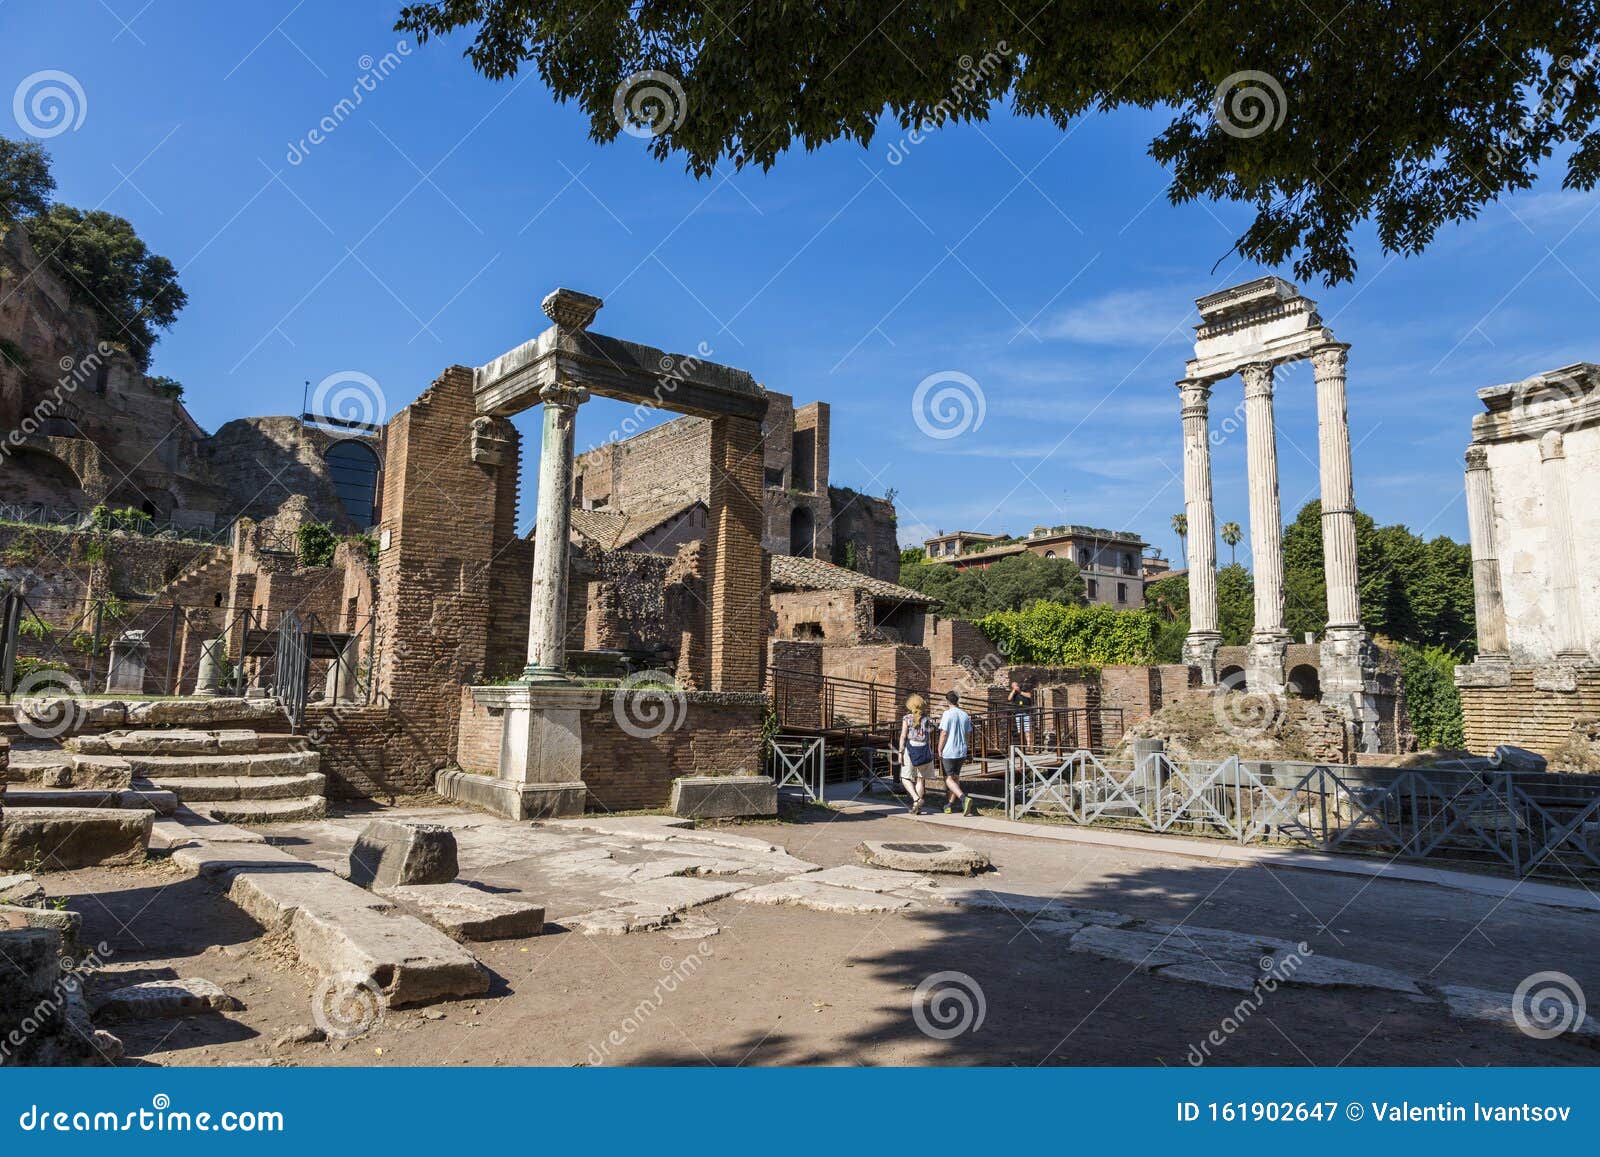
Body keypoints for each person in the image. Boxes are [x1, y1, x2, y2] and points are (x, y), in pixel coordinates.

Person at [936, 690, 977, 816]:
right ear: (957, 700)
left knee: (948, 779)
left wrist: (939, 748)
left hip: (949, 750)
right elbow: (968, 734)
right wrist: (966, 746)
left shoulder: (947, 714)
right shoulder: (965, 715)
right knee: (955, 778)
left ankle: (964, 798)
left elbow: (944, 733)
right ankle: (949, 805)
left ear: (947, 701)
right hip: (961, 750)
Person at [896, 694, 936, 815]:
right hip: (923, 749)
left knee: (905, 777)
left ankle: (916, 799)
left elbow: (903, 736)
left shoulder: (907, 718)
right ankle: (916, 806)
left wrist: (900, 752)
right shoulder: (927, 720)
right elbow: (929, 738)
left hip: (910, 750)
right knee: (920, 779)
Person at [1008, 679, 1034, 746]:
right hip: (1018, 713)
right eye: (1013, 686)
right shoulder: (1014, 693)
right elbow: (1009, 699)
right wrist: (1013, 691)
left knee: (1027, 729)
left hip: (1026, 713)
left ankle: (1028, 744)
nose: (1015, 687)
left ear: (1018, 685)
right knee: (1020, 730)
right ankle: (1023, 744)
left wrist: (1020, 692)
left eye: (1016, 685)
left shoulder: (1024, 690)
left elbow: (1029, 695)